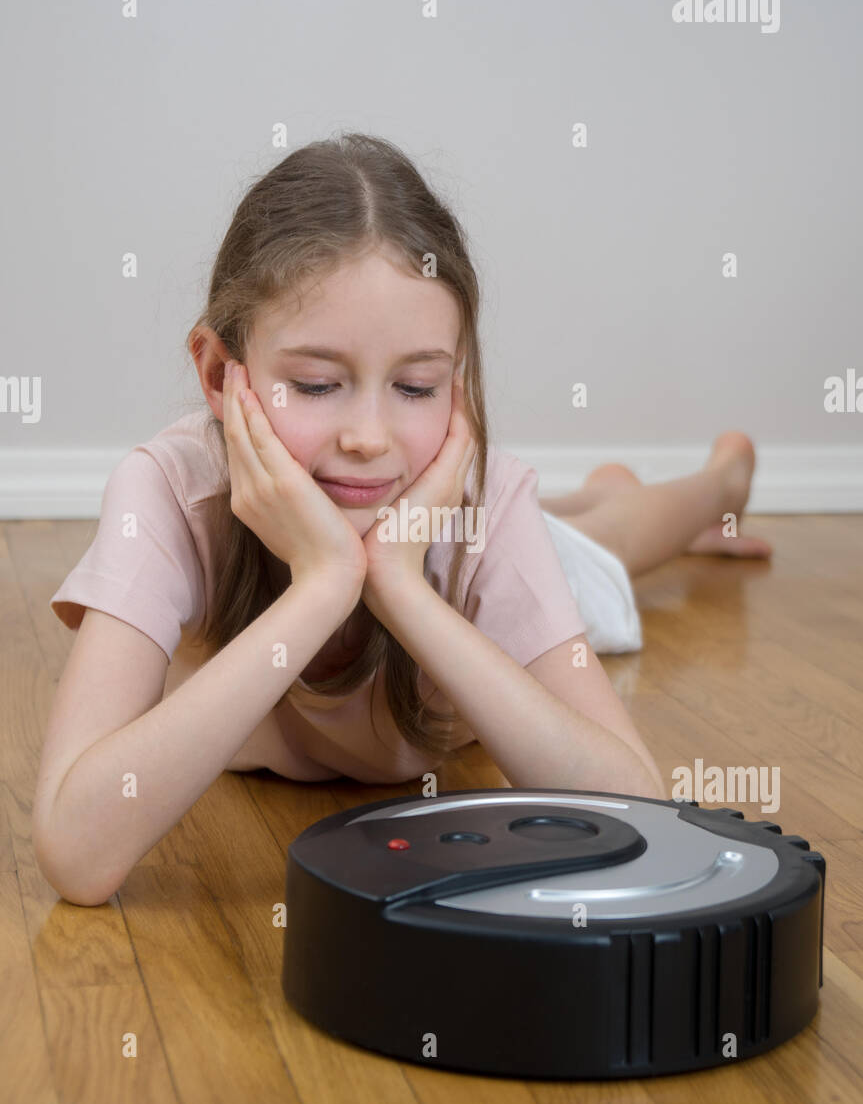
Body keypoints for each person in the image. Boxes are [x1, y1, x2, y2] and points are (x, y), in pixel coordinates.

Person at [32, 132, 770, 908]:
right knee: (583, 536)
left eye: (415, 387)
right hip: (407, 521)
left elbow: (642, 817)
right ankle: (609, 493)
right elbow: (78, 854)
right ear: (221, 374)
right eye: (316, 384)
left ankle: (721, 481)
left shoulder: (483, 505)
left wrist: (399, 586)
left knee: (599, 554)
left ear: (457, 381)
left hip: (449, 532)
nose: (368, 438)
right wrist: (323, 587)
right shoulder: (165, 497)